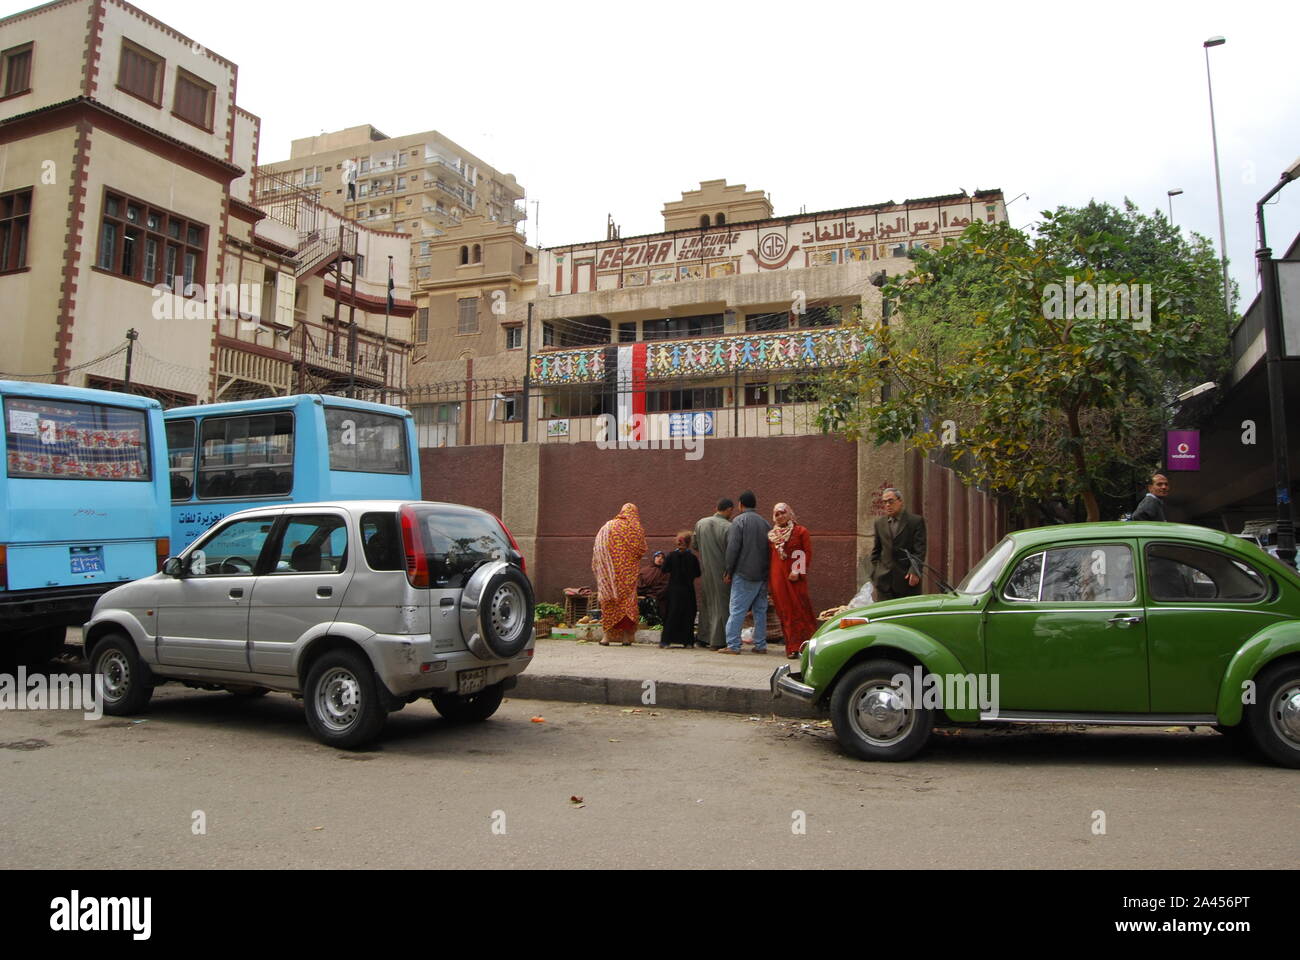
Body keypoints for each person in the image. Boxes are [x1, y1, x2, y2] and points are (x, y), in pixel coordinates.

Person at [721, 490, 771, 654]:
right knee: (760, 611)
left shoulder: (739, 521)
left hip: (743, 573)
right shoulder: (765, 523)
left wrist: (729, 570)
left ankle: (733, 645)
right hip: (762, 575)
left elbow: (733, 548)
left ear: (740, 504)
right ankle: (761, 644)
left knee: (737, 610)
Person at [768, 502, 817, 660]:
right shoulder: (772, 536)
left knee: (801, 609)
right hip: (778, 581)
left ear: (790, 513)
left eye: (783, 513)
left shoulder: (800, 532)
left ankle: (807, 645)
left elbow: (806, 553)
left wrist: (797, 571)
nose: (781, 516)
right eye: (777, 514)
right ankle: (792, 647)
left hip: (795, 580)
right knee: (785, 612)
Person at [592, 503, 646, 646]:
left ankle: (606, 638)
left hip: (611, 576)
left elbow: (600, 546)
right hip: (628, 575)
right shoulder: (637, 529)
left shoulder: (609, 526)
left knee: (609, 602)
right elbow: (641, 550)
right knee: (628, 605)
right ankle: (626, 638)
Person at [871, 488, 926, 600]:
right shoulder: (879, 524)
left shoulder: (915, 521)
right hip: (884, 582)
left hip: (907, 581)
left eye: (890, 501)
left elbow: (919, 550)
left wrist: (914, 571)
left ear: (900, 501)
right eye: (884, 502)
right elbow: (876, 551)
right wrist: (876, 573)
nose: (887, 505)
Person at [693, 498, 734, 649]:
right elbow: (732, 551)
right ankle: (718, 640)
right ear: (729, 509)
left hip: (706, 570)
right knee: (722, 606)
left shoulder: (700, 523)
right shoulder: (729, 527)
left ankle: (704, 637)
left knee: (706, 604)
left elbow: (694, 545)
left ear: (716, 507)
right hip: (723, 572)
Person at [660, 531, 701, 648]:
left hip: (673, 590)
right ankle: (687, 641)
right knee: (688, 614)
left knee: (672, 614)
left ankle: (666, 641)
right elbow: (697, 573)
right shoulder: (692, 558)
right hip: (688, 590)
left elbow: (664, 570)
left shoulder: (671, 556)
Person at [636, 551, 669, 626]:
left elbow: (664, 588)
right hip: (642, 596)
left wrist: (650, 594)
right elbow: (638, 584)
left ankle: (655, 623)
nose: (660, 559)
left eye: (662, 558)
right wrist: (641, 594)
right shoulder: (645, 570)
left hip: (657, 597)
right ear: (654, 558)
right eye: (658, 556)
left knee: (651, 603)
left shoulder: (666, 573)